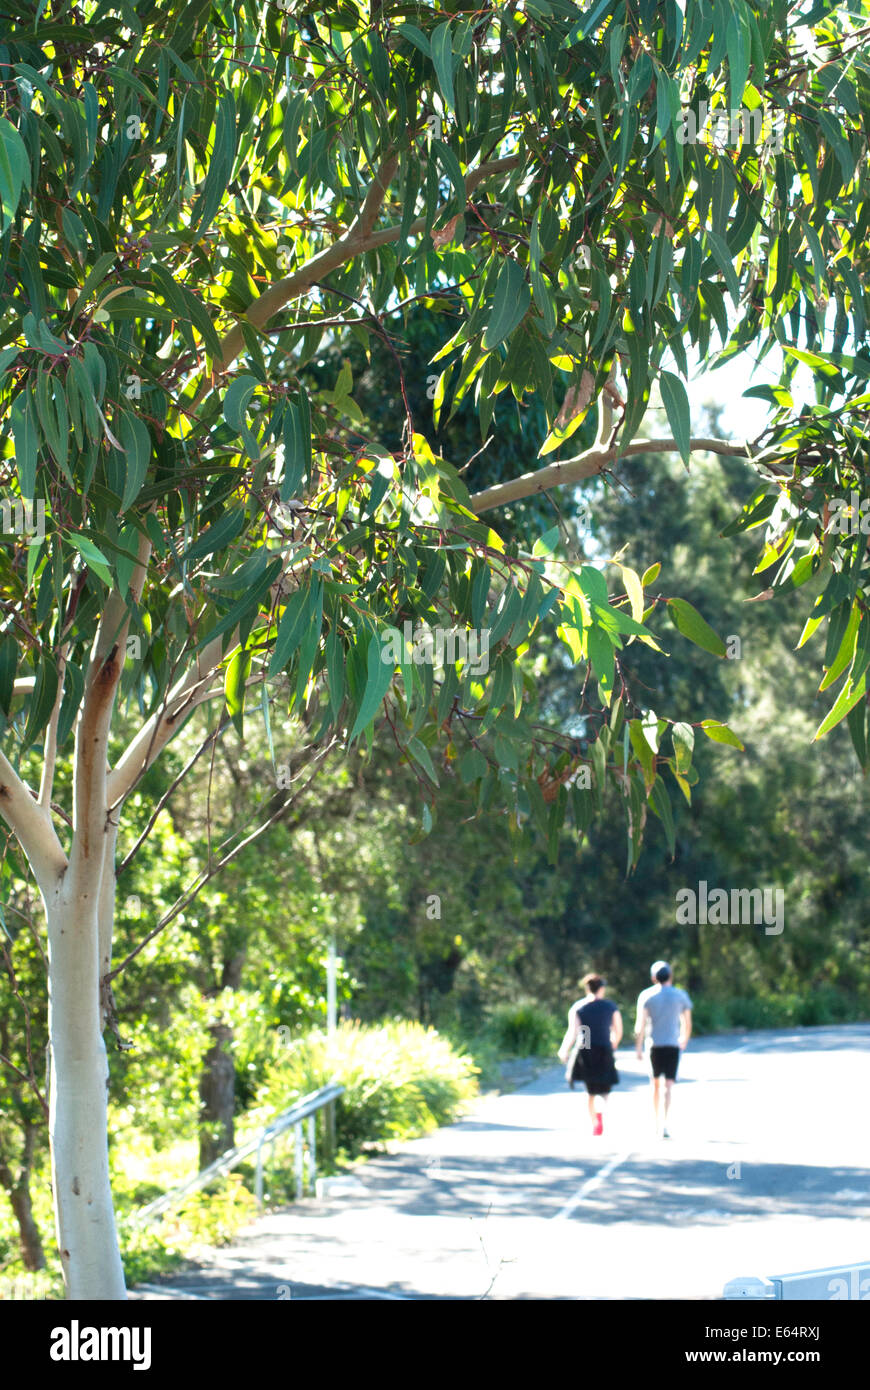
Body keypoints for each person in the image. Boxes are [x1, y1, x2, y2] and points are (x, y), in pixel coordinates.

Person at [558, 974, 623, 1136]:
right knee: (605, 1090)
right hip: (604, 1048)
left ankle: (594, 1122)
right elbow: (618, 1030)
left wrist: (564, 1050)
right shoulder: (610, 1007)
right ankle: (601, 1117)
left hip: (586, 1049)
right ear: (601, 989)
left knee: (590, 1092)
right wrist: (613, 1043)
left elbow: (573, 1032)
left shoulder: (578, 1007)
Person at [634, 960, 693, 1138]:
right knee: (668, 1085)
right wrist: (684, 1038)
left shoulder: (646, 996)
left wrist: (638, 1047)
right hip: (673, 1045)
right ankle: (665, 1124)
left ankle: (656, 1122)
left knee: (655, 1085)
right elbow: (687, 1022)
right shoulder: (680, 995)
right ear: (671, 976)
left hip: (654, 1045)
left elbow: (640, 1025)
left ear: (653, 977)